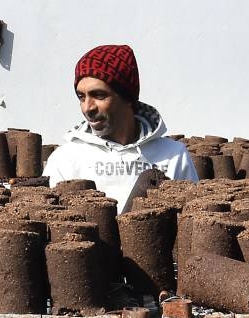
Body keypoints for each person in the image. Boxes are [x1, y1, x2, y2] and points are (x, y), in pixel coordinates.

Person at [43, 44, 198, 212]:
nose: (88, 107)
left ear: (128, 98)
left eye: (99, 95)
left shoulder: (173, 156)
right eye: (81, 97)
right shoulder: (65, 159)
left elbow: (191, 215)